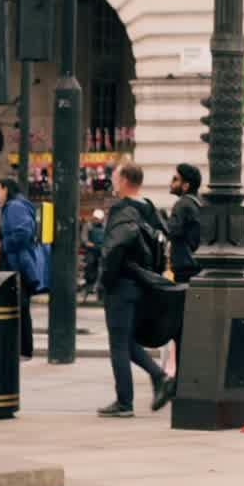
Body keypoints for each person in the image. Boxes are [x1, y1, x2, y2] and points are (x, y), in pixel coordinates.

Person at [98, 162, 171, 417]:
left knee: (118, 343)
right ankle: (159, 377)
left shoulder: (123, 211)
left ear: (126, 180)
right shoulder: (149, 209)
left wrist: (104, 280)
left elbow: (114, 250)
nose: (113, 182)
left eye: (116, 177)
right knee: (126, 341)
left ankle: (125, 401)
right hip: (144, 283)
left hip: (122, 283)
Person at [0, 178, 47, 360]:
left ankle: (22, 350)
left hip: (17, 266)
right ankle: (22, 350)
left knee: (18, 309)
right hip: (17, 265)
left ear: (6, 189)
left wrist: (3, 245)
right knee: (20, 308)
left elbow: (23, 233)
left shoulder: (15, 207)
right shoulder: (15, 206)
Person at [167, 164, 203, 283]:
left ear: (185, 186)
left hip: (185, 269)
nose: (171, 182)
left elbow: (171, 231)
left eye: (175, 179)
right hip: (198, 266)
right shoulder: (198, 202)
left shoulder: (182, 205)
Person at [83, 208, 106, 296]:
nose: (97, 220)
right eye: (96, 219)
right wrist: (87, 243)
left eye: (99, 219)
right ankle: (89, 286)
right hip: (91, 251)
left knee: (103, 268)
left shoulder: (105, 226)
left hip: (102, 249)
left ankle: (100, 288)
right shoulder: (88, 226)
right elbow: (84, 237)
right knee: (90, 266)